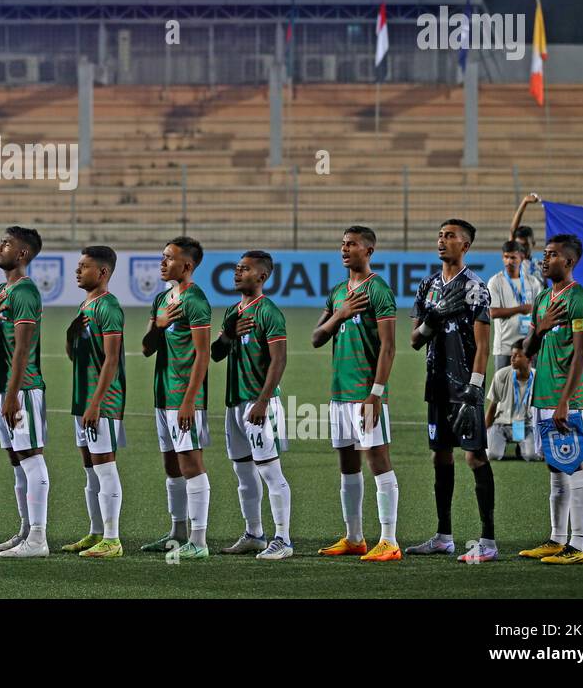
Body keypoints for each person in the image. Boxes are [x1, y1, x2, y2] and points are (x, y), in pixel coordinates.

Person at [405, 219, 497, 563]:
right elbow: (414, 340)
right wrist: (434, 316)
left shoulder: (476, 287)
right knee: (440, 455)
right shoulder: (427, 285)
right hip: (436, 385)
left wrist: (475, 386)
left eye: (450, 236)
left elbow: (484, 344)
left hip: (465, 387)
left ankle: (488, 540)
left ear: (466, 245)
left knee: (474, 456)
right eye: (440, 235)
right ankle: (444, 535)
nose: (442, 240)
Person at [311, 226, 401, 563]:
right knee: (348, 465)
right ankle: (354, 538)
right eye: (342, 244)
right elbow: (317, 338)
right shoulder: (337, 293)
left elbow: (389, 346)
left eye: (352, 244)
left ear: (369, 250)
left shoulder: (378, 290)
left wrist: (376, 394)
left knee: (377, 461)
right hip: (339, 393)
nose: (345, 249)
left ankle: (389, 540)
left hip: (366, 392)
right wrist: (340, 314)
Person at [520, 234, 583, 565]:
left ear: (569, 261)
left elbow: (582, 355)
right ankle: (556, 538)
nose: (545, 259)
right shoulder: (542, 300)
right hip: (542, 396)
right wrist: (540, 328)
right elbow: (526, 352)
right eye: (545, 254)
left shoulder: (578, 299)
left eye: (552, 255)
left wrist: (565, 401)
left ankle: (578, 545)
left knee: (574, 465)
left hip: (566, 398)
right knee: (555, 467)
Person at [212, 251, 292, 560]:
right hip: (234, 403)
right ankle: (254, 534)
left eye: (244, 269)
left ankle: (283, 540)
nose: (237, 272)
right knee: (243, 474)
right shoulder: (233, 311)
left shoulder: (269, 312)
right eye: (236, 268)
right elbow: (217, 354)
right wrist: (229, 333)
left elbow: (279, 359)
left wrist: (262, 401)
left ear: (261, 276)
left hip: (260, 404)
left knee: (270, 472)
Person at [140, 236, 213, 561]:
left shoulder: (196, 301)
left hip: (185, 397)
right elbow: (146, 347)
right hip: (162, 395)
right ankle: (178, 531)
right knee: (171, 465)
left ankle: (199, 539)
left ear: (187, 265)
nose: (162, 262)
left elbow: (202, 354)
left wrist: (189, 400)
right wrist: (159, 325)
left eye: (169, 258)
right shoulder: (161, 299)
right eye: (162, 256)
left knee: (191, 464)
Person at [0, 226, 50, 558]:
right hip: (4, 388)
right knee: (16, 461)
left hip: (22, 389)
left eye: (6, 244)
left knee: (31, 457)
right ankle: (25, 531)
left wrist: (12, 395)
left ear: (22, 254)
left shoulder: (24, 292)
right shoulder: (2, 289)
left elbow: (24, 348)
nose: (0, 247)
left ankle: (38, 538)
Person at [60, 246, 126, 559]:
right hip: (83, 399)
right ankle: (96, 531)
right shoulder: (86, 305)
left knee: (104, 468)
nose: (77, 271)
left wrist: (96, 403)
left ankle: (112, 539)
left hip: (103, 401)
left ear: (102, 272)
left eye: (84, 266)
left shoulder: (108, 307)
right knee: (90, 470)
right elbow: (79, 354)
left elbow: (112, 360)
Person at [487, 241, 542, 370]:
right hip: (505, 348)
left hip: (529, 346)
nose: (509, 261)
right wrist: (520, 309)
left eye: (513, 257)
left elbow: (540, 311)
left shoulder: (533, 282)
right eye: (506, 257)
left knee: (529, 387)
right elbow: (492, 312)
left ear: (521, 258)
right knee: (503, 386)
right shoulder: (495, 282)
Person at [485, 340, 540, 461]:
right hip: (501, 425)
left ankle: (521, 448)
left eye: (518, 355)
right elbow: (492, 406)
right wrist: (483, 434)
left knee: (533, 456)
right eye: (512, 355)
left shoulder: (538, 378)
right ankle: (500, 445)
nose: (513, 358)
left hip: (527, 426)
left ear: (529, 359)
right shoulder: (501, 375)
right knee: (492, 455)